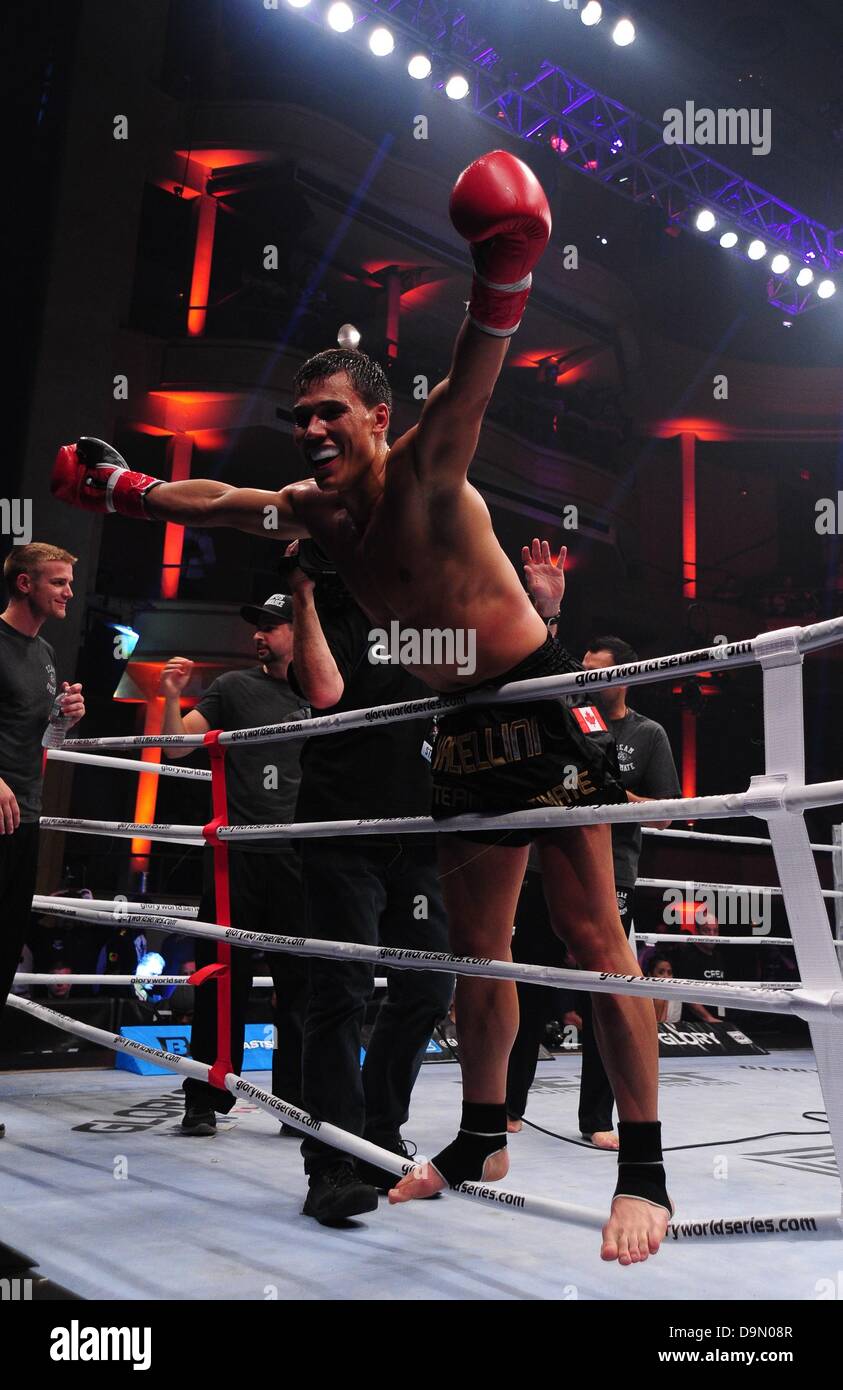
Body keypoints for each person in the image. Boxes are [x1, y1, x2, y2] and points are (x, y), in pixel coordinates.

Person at [52, 149, 670, 1262]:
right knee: (477, 953)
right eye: (303, 417)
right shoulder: (312, 511)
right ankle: (484, 1135)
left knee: (592, 940)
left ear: (380, 417)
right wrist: (125, 488)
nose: (314, 430)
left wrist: (506, 274)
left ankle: (646, 1171)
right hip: (461, 726)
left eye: (333, 413)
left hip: (534, 697)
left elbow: (478, 371)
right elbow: (220, 497)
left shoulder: (432, 466)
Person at [283, 543, 454, 1224]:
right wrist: (300, 595)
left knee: (427, 986)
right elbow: (323, 691)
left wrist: (548, 613)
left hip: (415, 834)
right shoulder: (335, 605)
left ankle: (378, 1139)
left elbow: (503, 676)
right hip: (339, 828)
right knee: (342, 989)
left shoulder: (436, 620)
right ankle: (328, 1165)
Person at [504, 569, 681, 1149]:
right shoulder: (564, 718)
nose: (584, 676)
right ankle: (508, 1107)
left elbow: (665, 814)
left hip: (613, 874)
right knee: (525, 984)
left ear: (622, 675)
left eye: (595, 669)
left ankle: (599, 1120)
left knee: (603, 990)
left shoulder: (648, 735)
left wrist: (610, 794)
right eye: (580, 668)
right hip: (540, 866)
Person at [159, 593, 309, 1134]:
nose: (258, 635)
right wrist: (171, 696)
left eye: (271, 625)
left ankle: (299, 1106)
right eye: (258, 625)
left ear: (300, 629)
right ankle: (204, 1098)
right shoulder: (233, 687)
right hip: (236, 858)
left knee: (303, 987)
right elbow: (176, 748)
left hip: (301, 856)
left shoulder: (327, 693)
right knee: (223, 981)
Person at [0, 543, 86, 1137]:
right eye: (57, 581)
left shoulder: (47, 652)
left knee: (5, 956)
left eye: (71, 582)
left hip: (24, 817)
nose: (67, 592)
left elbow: (42, 740)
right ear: (24, 583)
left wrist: (65, 718)